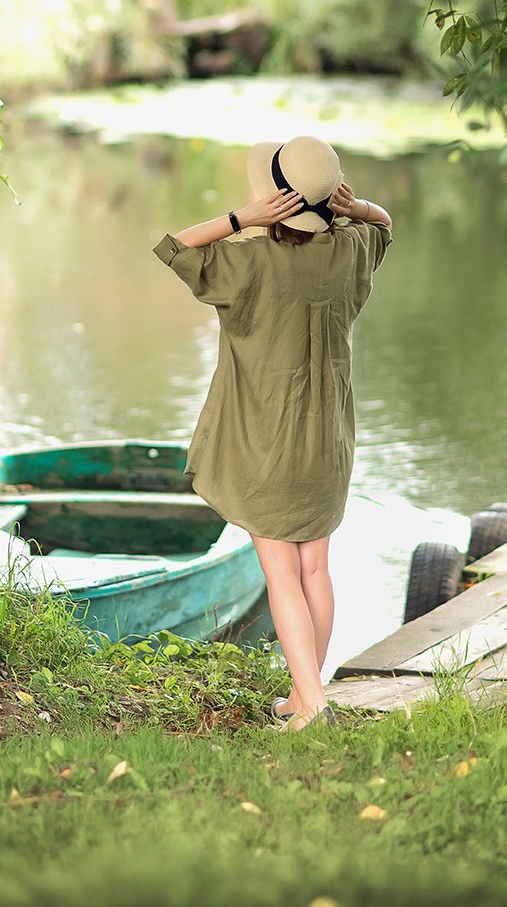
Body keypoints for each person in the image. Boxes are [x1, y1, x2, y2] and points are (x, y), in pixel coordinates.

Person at [153, 135, 392, 731]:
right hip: (328, 440)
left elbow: (174, 247)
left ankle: (311, 705)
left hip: (268, 439)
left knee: (282, 574)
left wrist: (241, 219)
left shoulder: (248, 262)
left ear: (274, 200)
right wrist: (354, 208)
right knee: (316, 569)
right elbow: (385, 225)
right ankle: (304, 689)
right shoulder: (352, 251)